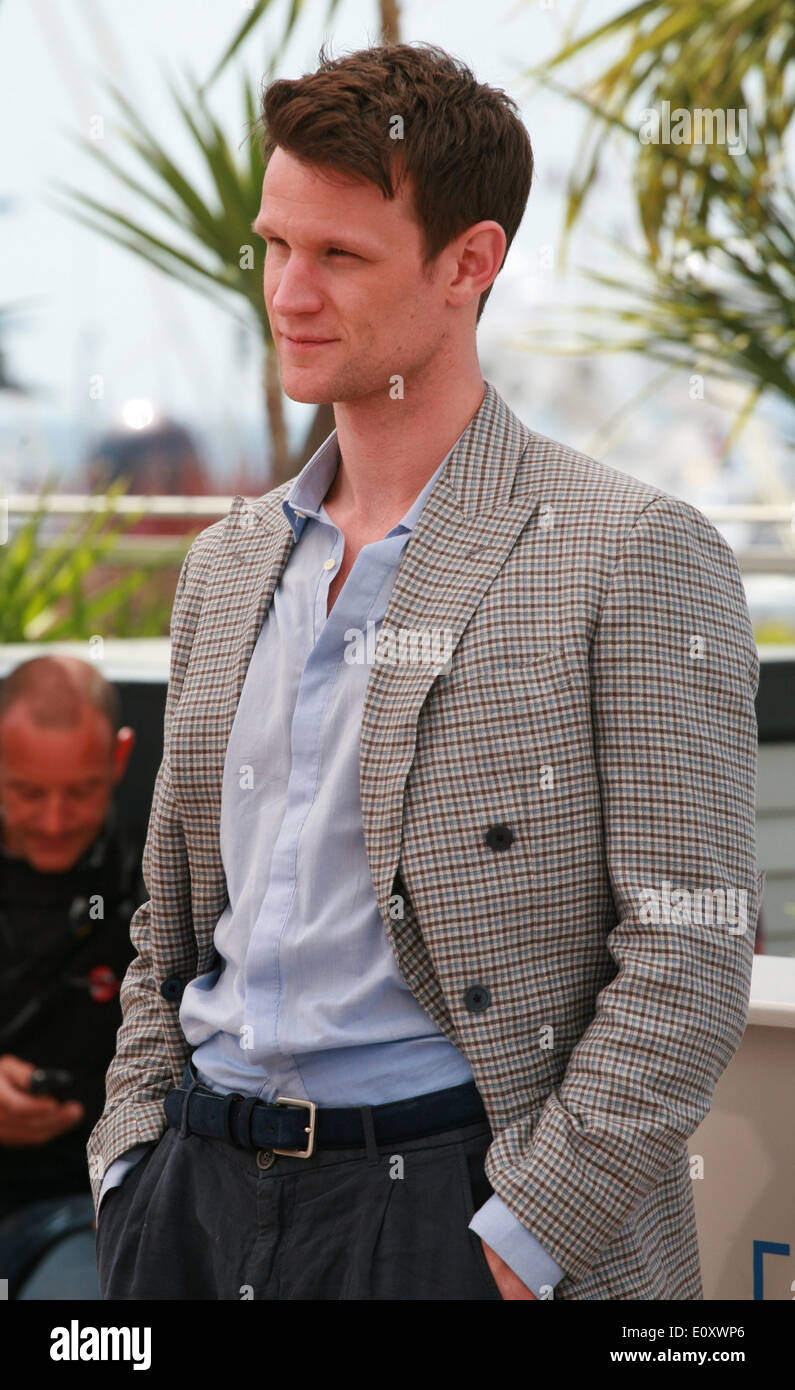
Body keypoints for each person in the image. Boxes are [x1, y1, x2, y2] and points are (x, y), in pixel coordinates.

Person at [89, 42, 762, 1301]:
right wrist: (131, 1164)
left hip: (446, 1209)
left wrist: (510, 1250)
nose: (288, 290)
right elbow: (166, 926)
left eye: (339, 256)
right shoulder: (226, 567)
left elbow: (690, 952)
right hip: (189, 1200)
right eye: (277, 245)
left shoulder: (633, 549)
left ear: (471, 264)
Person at [0, 656, 142, 1297]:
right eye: (27, 792)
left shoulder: (160, 882)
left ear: (120, 758)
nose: (54, 821)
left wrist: (82, 1098)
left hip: (86, 1209)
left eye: (80, 792)